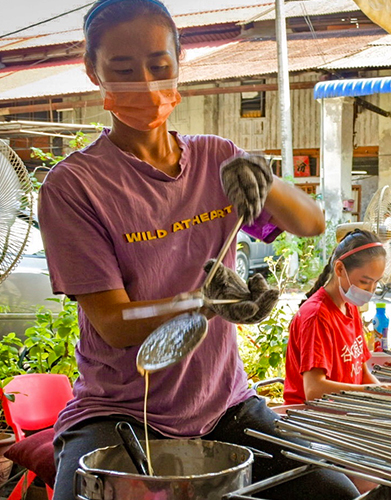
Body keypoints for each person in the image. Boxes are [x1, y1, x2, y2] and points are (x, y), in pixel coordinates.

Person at [38, 1, 358, 498]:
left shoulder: (217, 159)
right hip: (119, 413)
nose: (144, 85)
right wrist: (205, 303)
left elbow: (312, 222)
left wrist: (266, 180)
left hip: (226, 405)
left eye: (158, 66)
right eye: (122, 70)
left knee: (332, 492)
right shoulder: (74, 186)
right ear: (92, 72)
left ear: (177, 65)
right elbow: (113, 325)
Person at [284, 230, 388, 405]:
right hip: (310, 420)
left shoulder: (350, 307)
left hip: (342, 412)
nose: (370, 291)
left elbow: (362, 374)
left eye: (376, 282)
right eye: (364, 281)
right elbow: (314, 390)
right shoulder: (317, 316)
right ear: (339, 269)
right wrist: (382, 391)